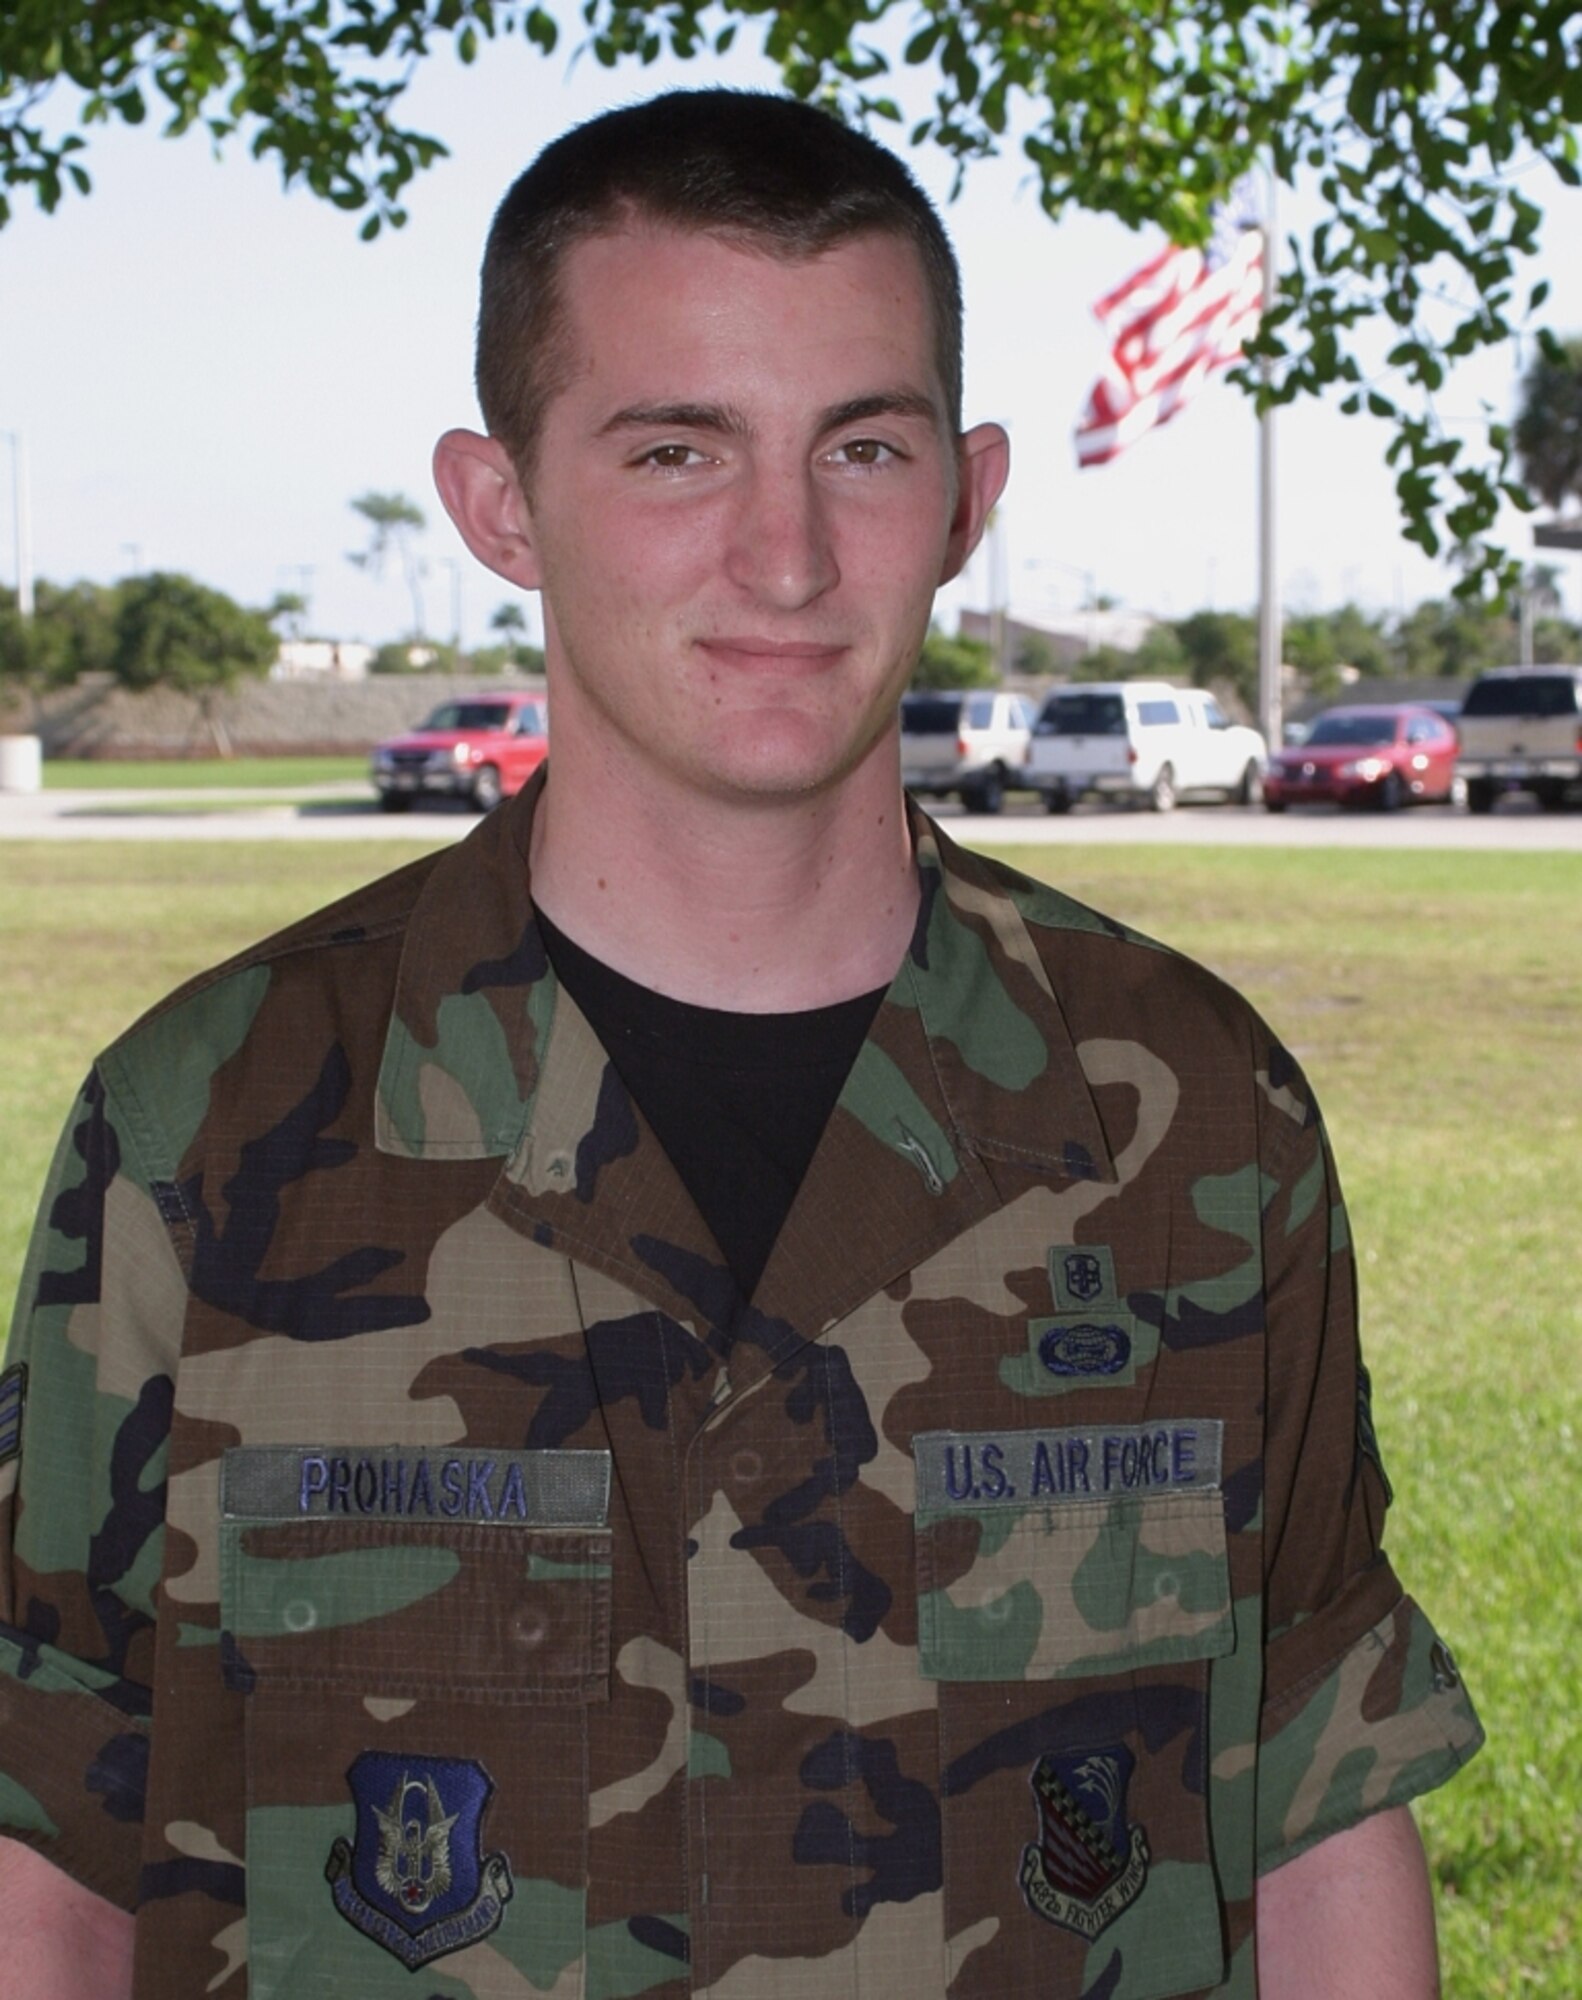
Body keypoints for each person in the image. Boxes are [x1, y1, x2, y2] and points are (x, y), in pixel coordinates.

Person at [0, 89, 1481, 2000]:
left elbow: (1315, 1813)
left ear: (965, 494)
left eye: (862, 447)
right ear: (498, 504)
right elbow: (52, 1859)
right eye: (677, 450)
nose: (784, 557)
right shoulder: (211, 1128)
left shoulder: (1189, 1115)